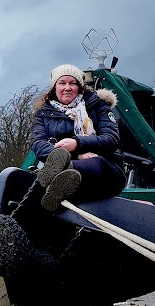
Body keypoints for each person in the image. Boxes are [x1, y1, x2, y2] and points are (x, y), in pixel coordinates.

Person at [25, 63, 126, 211]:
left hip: (106, 174)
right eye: (62, 83)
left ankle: (61, 172)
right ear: (55, 87)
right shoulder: (43, 114)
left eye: (72, 83)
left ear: (80, 87)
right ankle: (58, 185)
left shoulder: (98, 106)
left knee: (97, 162)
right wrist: (76, 155)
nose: (67, 87)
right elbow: (38, 144)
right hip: (70, 171)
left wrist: (77, 143)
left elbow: (111, 139)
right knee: (60, 170)